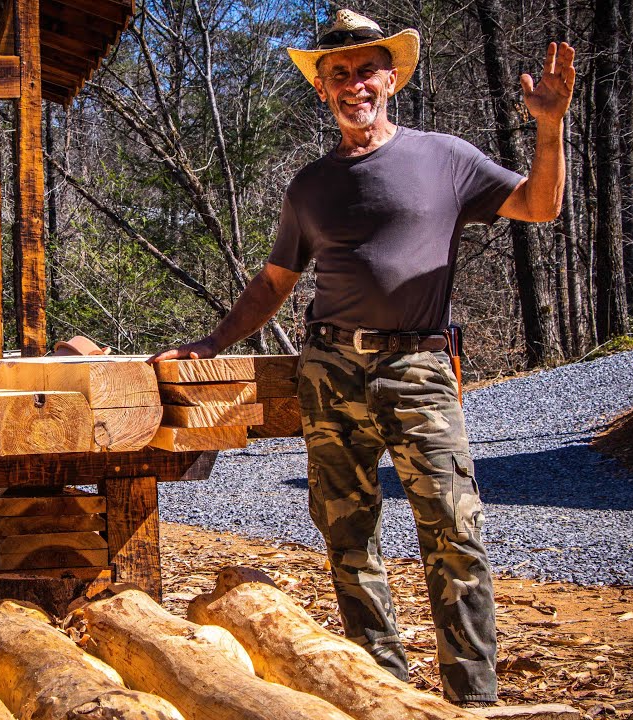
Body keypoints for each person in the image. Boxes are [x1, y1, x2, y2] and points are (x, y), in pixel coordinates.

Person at [150, 8, 575, 706]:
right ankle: (381, 691)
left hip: (418, 368)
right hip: (330, 372)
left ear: (392, 78)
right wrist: (213, 342)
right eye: (339, 74)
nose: (354, 85)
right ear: (322, 88)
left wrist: (550, 127)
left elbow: (539, 206)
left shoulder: (446, 159)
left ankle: (472, 698)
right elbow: (274, 283)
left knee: (455, 532)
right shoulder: (311, 186)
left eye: (367, 71)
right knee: (348, 538)